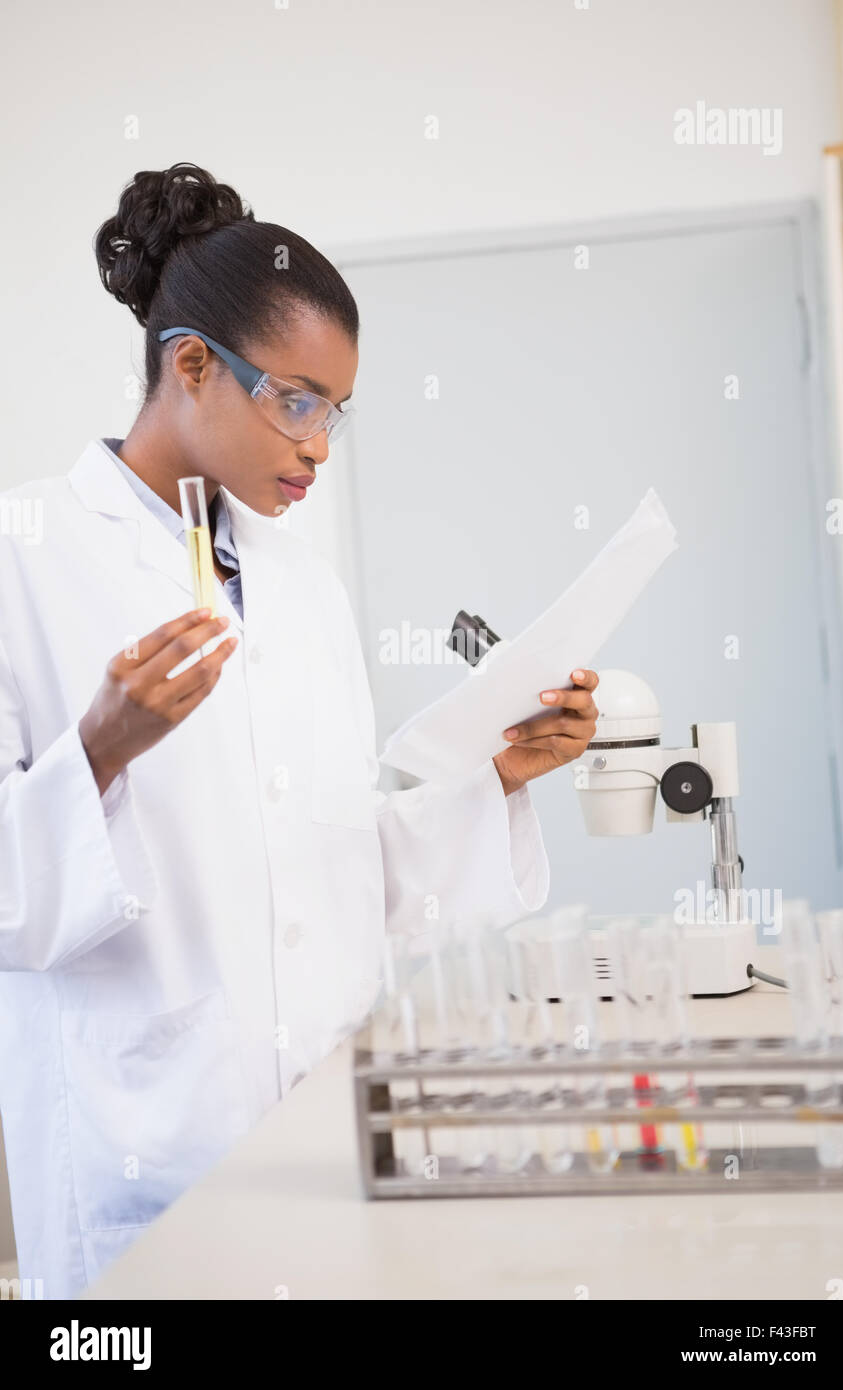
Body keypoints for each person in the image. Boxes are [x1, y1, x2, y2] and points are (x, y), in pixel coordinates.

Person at [0, 163, 598, 1297]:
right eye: (297, 401)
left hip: (325, 1138)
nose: (320, 444)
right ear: (190, 366)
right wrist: (101, 751)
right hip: (142, 1156)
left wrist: (496, 780)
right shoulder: (24, 553)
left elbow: (329, 862)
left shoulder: (301, 585)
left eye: (336, 410)